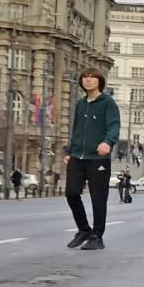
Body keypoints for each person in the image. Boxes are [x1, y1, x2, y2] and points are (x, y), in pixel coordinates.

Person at [63, 69, 121, 252]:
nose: (88, 80)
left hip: (98, 158)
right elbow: (77, 130)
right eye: (85, 77)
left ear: (100, 81)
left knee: (98, 199)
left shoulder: (108, 103)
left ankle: (97, 236)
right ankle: (83, 230)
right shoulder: (80, 104)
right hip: (78, 156)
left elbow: (114, 126)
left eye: (92, 77)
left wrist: (107, 142)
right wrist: (69, 151)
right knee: (71, 193)